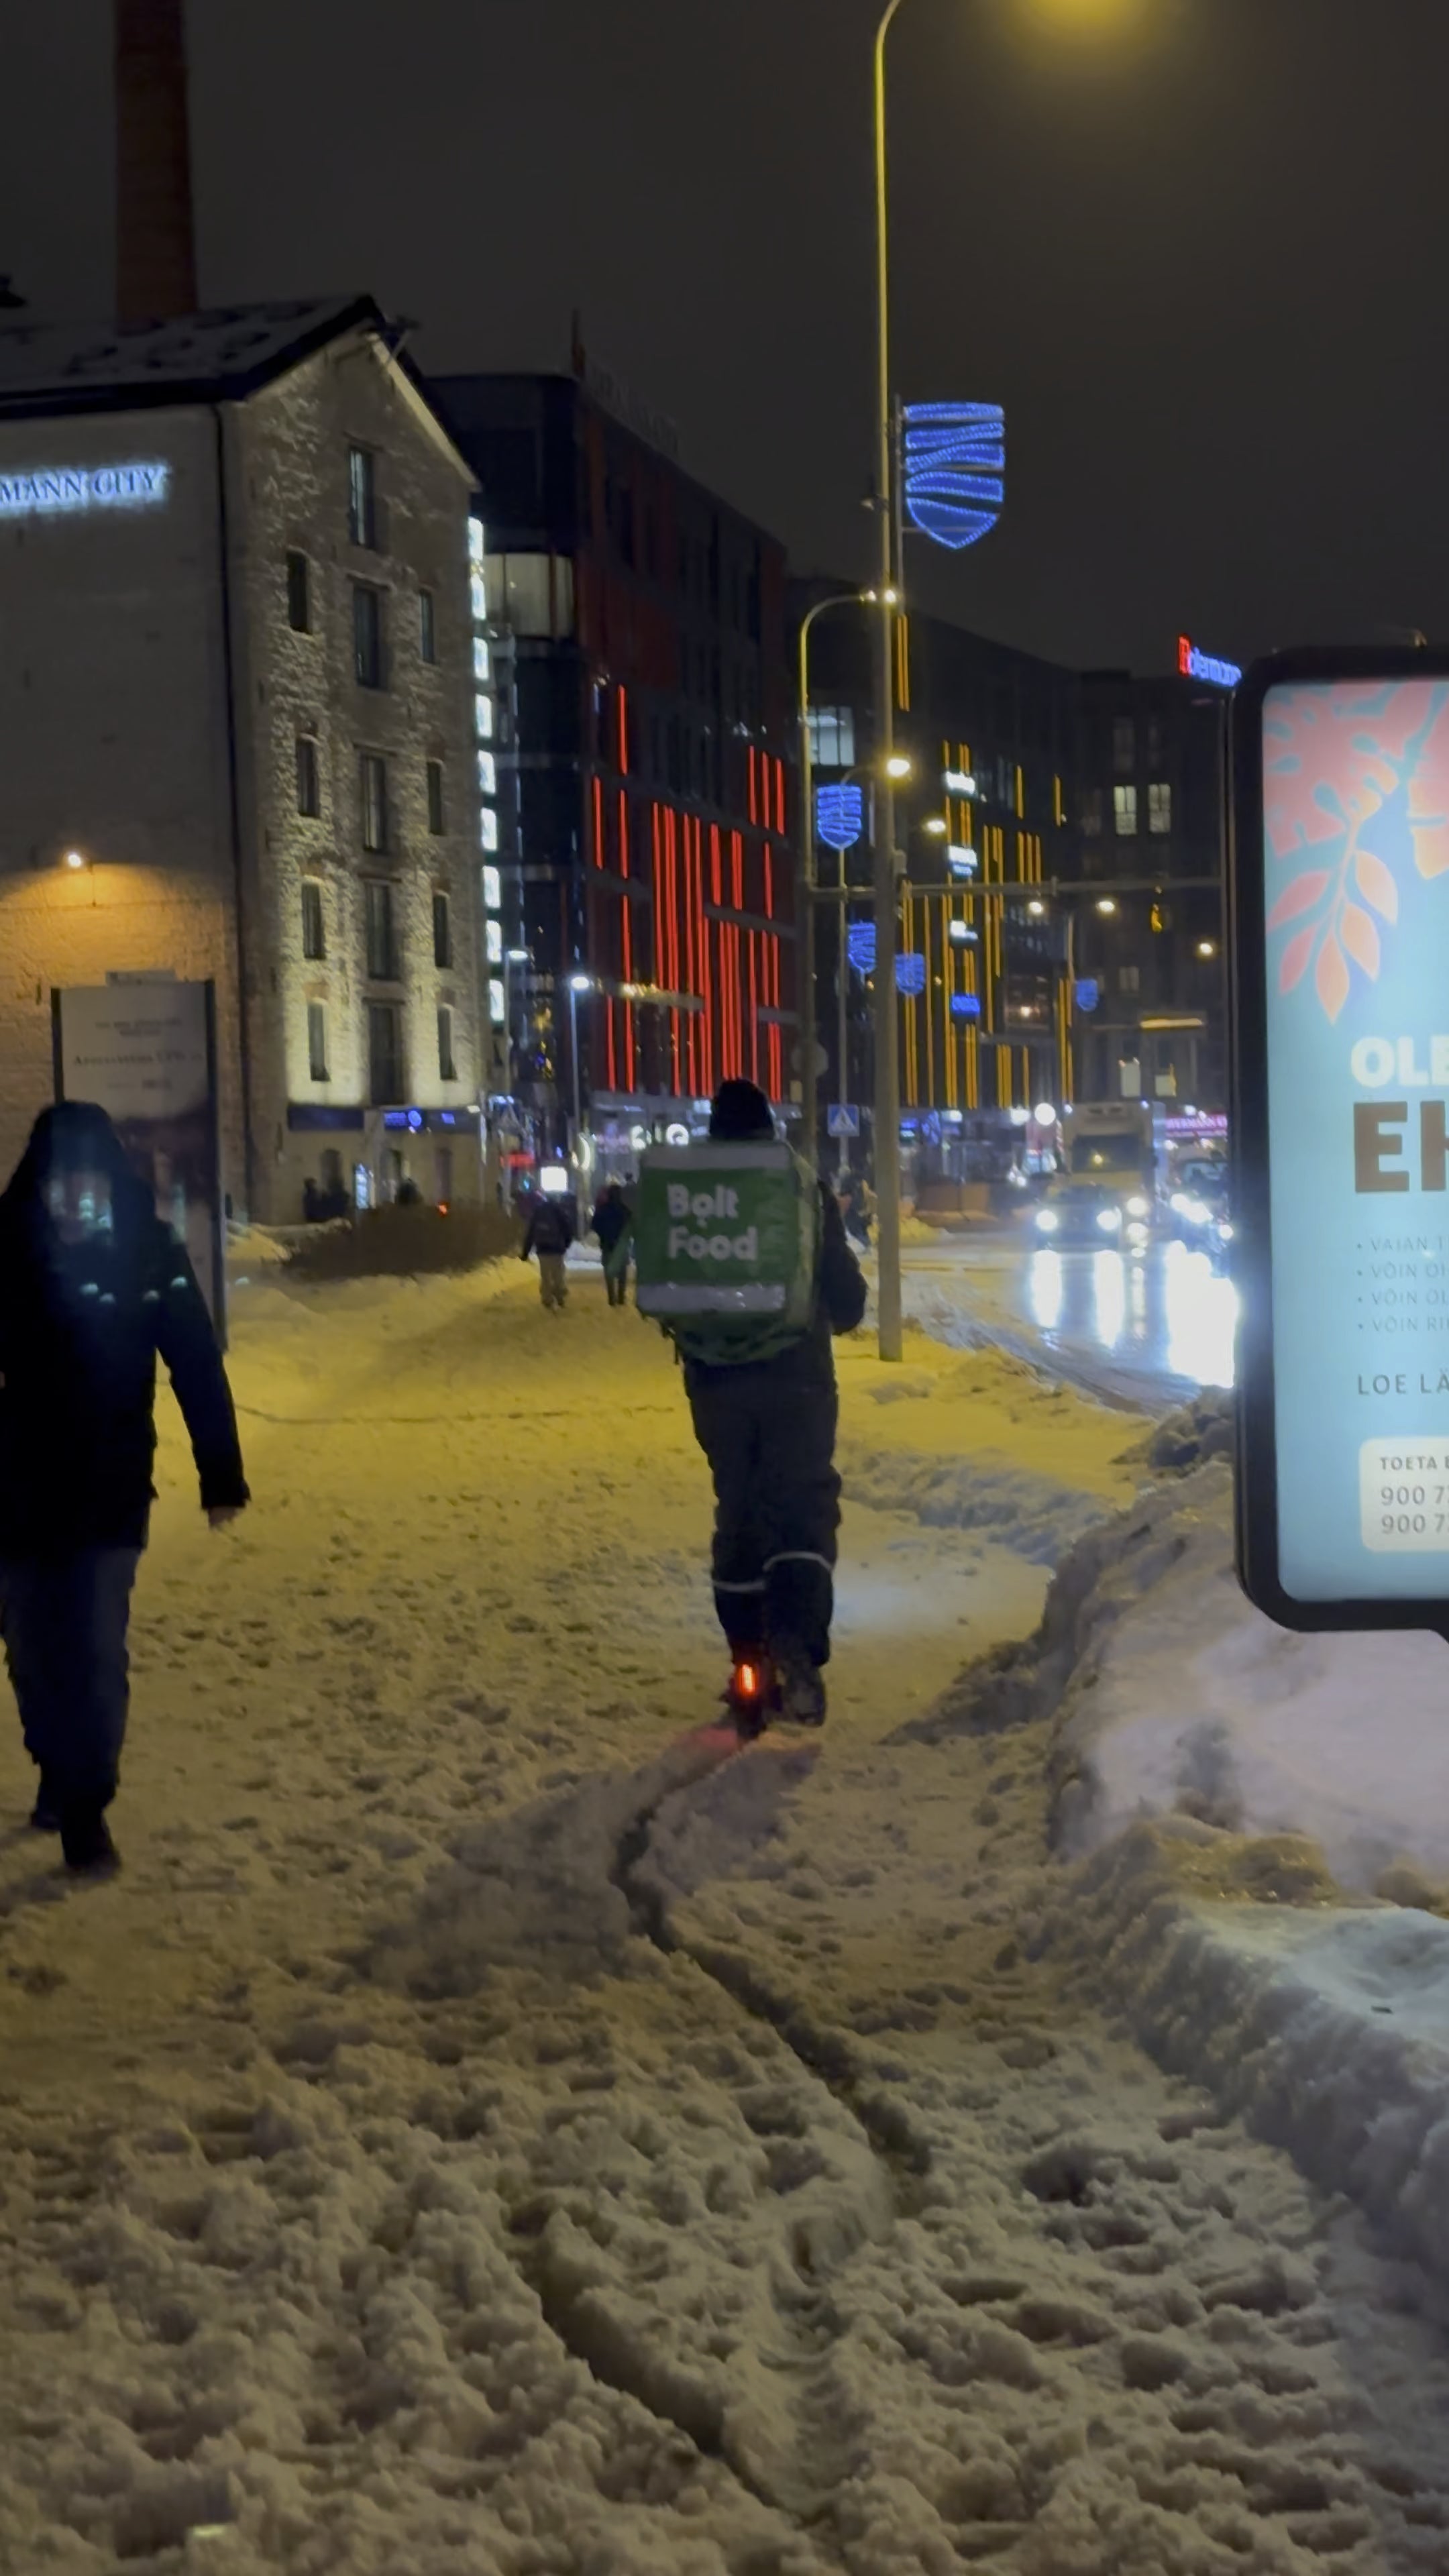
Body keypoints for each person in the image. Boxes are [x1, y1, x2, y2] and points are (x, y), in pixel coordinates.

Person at [0, 1103, 250, 1876]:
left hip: (109, 1492)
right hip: (15, 1493)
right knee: (34, 1648)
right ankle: (55, 1764)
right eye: (60, 1182)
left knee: (95, 1649)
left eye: (86, 1179)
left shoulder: (148, 1253)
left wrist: (221, 1472)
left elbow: (197, 1363)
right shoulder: (6, 1251)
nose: (73, 1197)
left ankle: (87, 1805)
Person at [683, 1079, 866, 1726]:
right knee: (802, 1507)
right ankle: (796, 1650)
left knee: (739, 1508)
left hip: (714, 1385)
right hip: (798, 1382)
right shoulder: (800, 1188)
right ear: (768, 1126)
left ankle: (745, 1657)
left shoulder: (689, 1193)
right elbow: (847, 1303)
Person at [521, 1188, 575, 1309]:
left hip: (542, 1248)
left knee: (545, 1275)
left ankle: (547, 1299)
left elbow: (531, 1232)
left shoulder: (538, 1211)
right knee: (558, 1274)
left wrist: (526, 1251)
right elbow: (568, 1229)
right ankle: (559, 1295)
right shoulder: (559, 1210)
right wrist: (566, 1244)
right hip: (557, 1248)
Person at [592, 1181, 633, 1307]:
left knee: (609, 1271)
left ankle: (611, 1297)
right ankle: (621, 1296)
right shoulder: (625, 1210)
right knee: (622, 1272)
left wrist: (603, 1234)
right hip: (621, 1244)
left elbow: (594, 1225)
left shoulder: (602, 1209)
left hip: (607, 1244)